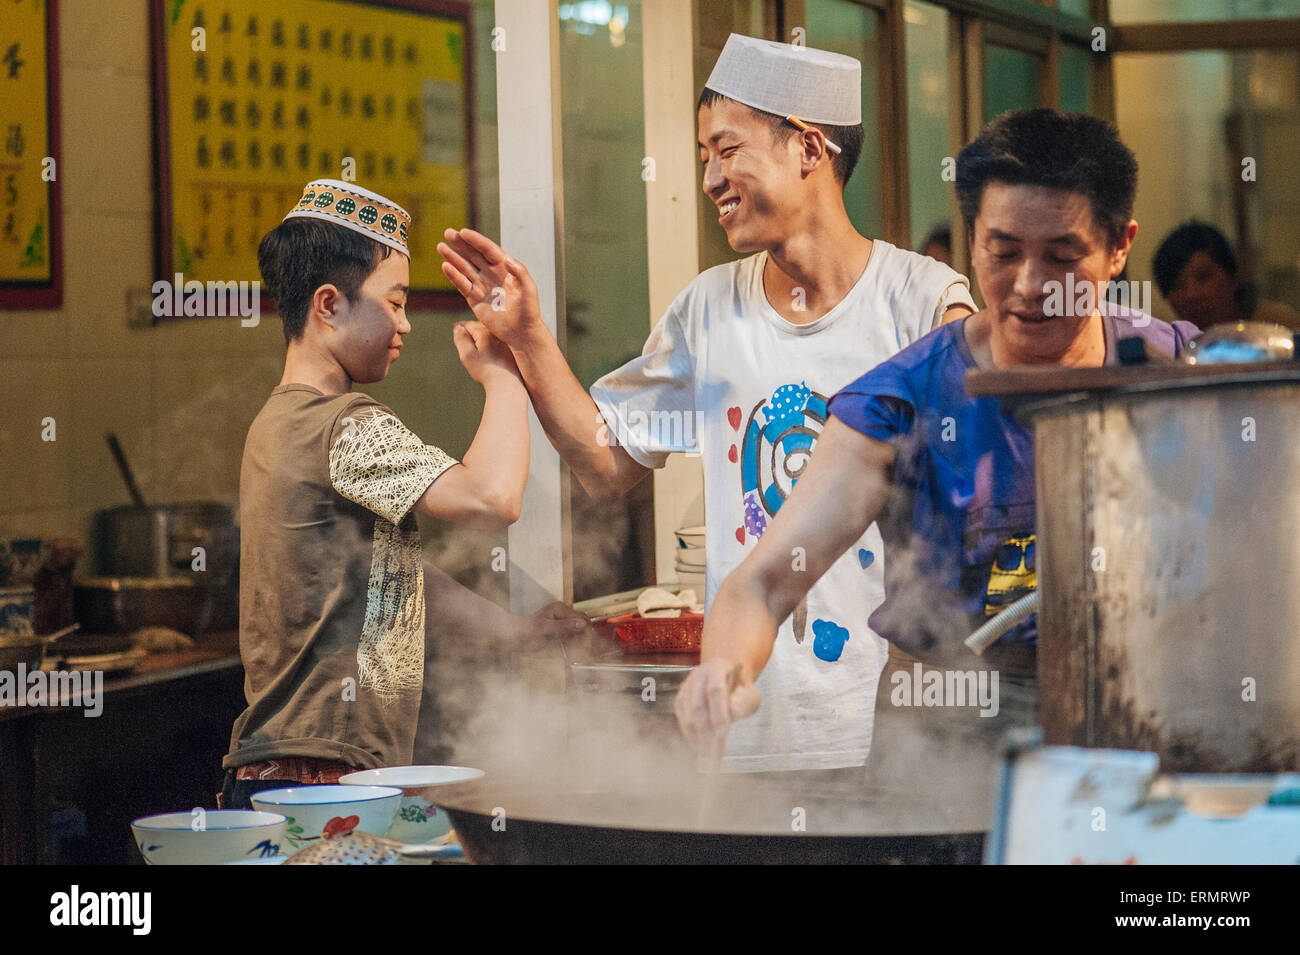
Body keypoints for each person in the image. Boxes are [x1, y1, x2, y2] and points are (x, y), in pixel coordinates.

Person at [437, 34, 975, 778]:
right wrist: (528, 337)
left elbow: (971, 497)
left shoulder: (922, 301)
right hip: (743, 725)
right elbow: (603, 459)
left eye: (727, 149)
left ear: (809, 149)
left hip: (894, 729)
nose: (710, 178)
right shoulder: (710, 310)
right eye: (701, 158)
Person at [674, 109, 1200, 810]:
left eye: (1063, 257)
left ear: (1118, 248)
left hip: (1138, 721)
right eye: (1002, 251)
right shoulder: (901, 399)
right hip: (942, 739)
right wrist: (722, 670)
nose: (1028, 284)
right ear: (972, 242)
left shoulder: (1182, 371)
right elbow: (762, 585)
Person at [220, 180, 586, 810]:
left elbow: (394, 579)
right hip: (323, 773)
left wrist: (516, 634)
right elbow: (493, 499)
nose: (406, 324)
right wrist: (504, 376)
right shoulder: (340, 424)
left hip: (298, 767)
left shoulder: (277, 423)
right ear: (328, 304)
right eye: (393, 302)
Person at [1152, 220, 1300, 331]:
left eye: (1203, 278)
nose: (1191, 295)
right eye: (1177, 286)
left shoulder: (1277, 327)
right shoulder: (1171, 347)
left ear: (1233, 278)